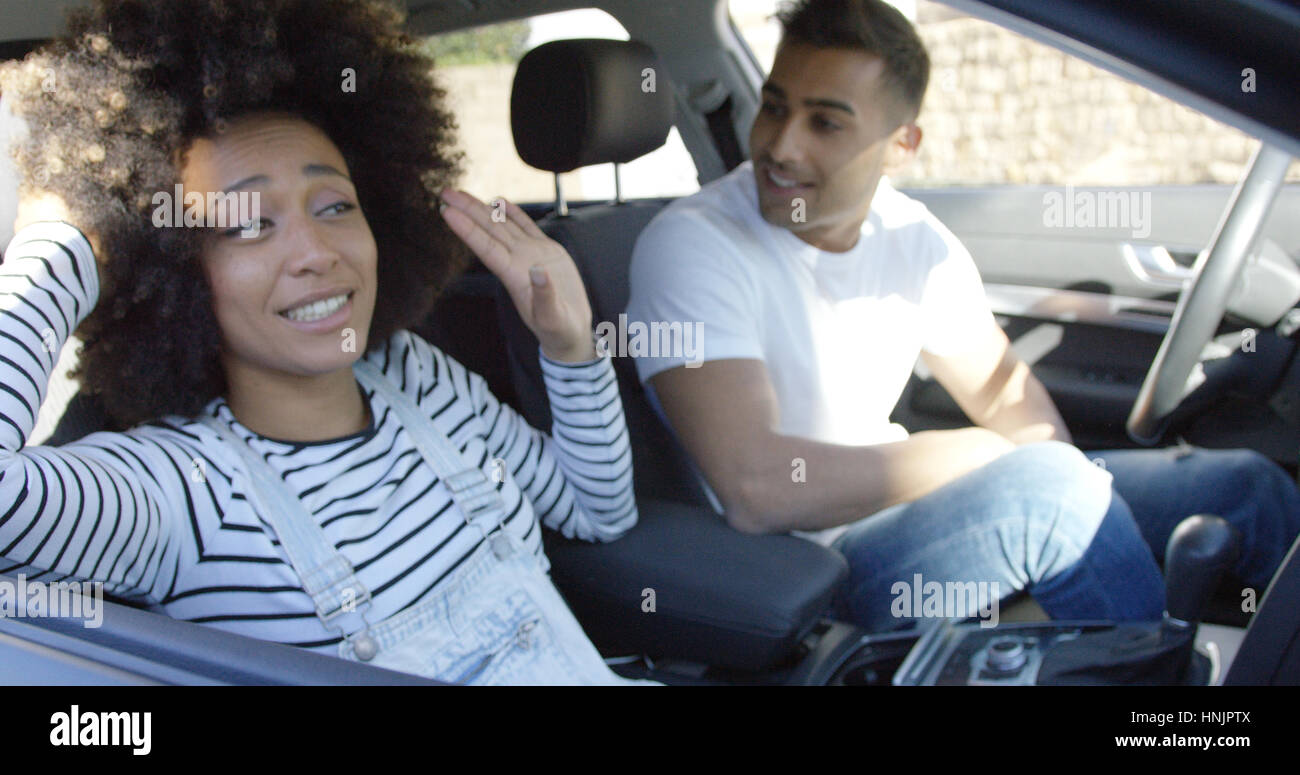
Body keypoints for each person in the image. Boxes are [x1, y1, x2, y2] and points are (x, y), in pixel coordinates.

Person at [0, 0, 641, 684]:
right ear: (174, 272)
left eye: (335, 205)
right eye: (247, 225)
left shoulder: (416, 377)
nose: (315, 251)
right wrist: (70, 243)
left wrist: (571, 347)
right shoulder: (178, 494)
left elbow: (598, 513)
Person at [625, 0, 1300, 632]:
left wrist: (1023, 461)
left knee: (1246, 486)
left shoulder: (914, 239)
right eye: (774, 108)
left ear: (901, 144)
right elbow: (758, 488)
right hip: (802, 568)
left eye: (825, 122)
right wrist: (977, 456)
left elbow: (1024, 416)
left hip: (910, 514)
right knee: (1051, 499)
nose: (780, 147)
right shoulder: (693, 245)